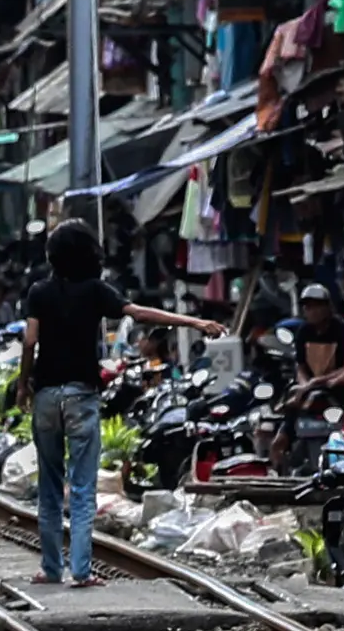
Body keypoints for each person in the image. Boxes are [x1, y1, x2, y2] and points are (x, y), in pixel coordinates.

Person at [17, 220, 223, 586]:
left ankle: (50, 568)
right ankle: (81, 571)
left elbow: (30, 341)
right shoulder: (96, 291)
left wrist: (23, 386)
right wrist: (194, 321)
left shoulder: (39, 292)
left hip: (46, 396)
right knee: (82, 488)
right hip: (81, 396)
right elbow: (140, 314)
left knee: (49, 486)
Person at [273, 283, 344, 471]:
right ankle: (281, 449)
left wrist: (318, 382)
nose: (311, 311)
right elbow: (300, 366)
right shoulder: (303, 332)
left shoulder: (342, 330)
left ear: (327, 307)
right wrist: (305, 385)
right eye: (307, 307)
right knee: (289, 406)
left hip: (335, 386)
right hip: (310, 388)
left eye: (316, 306)